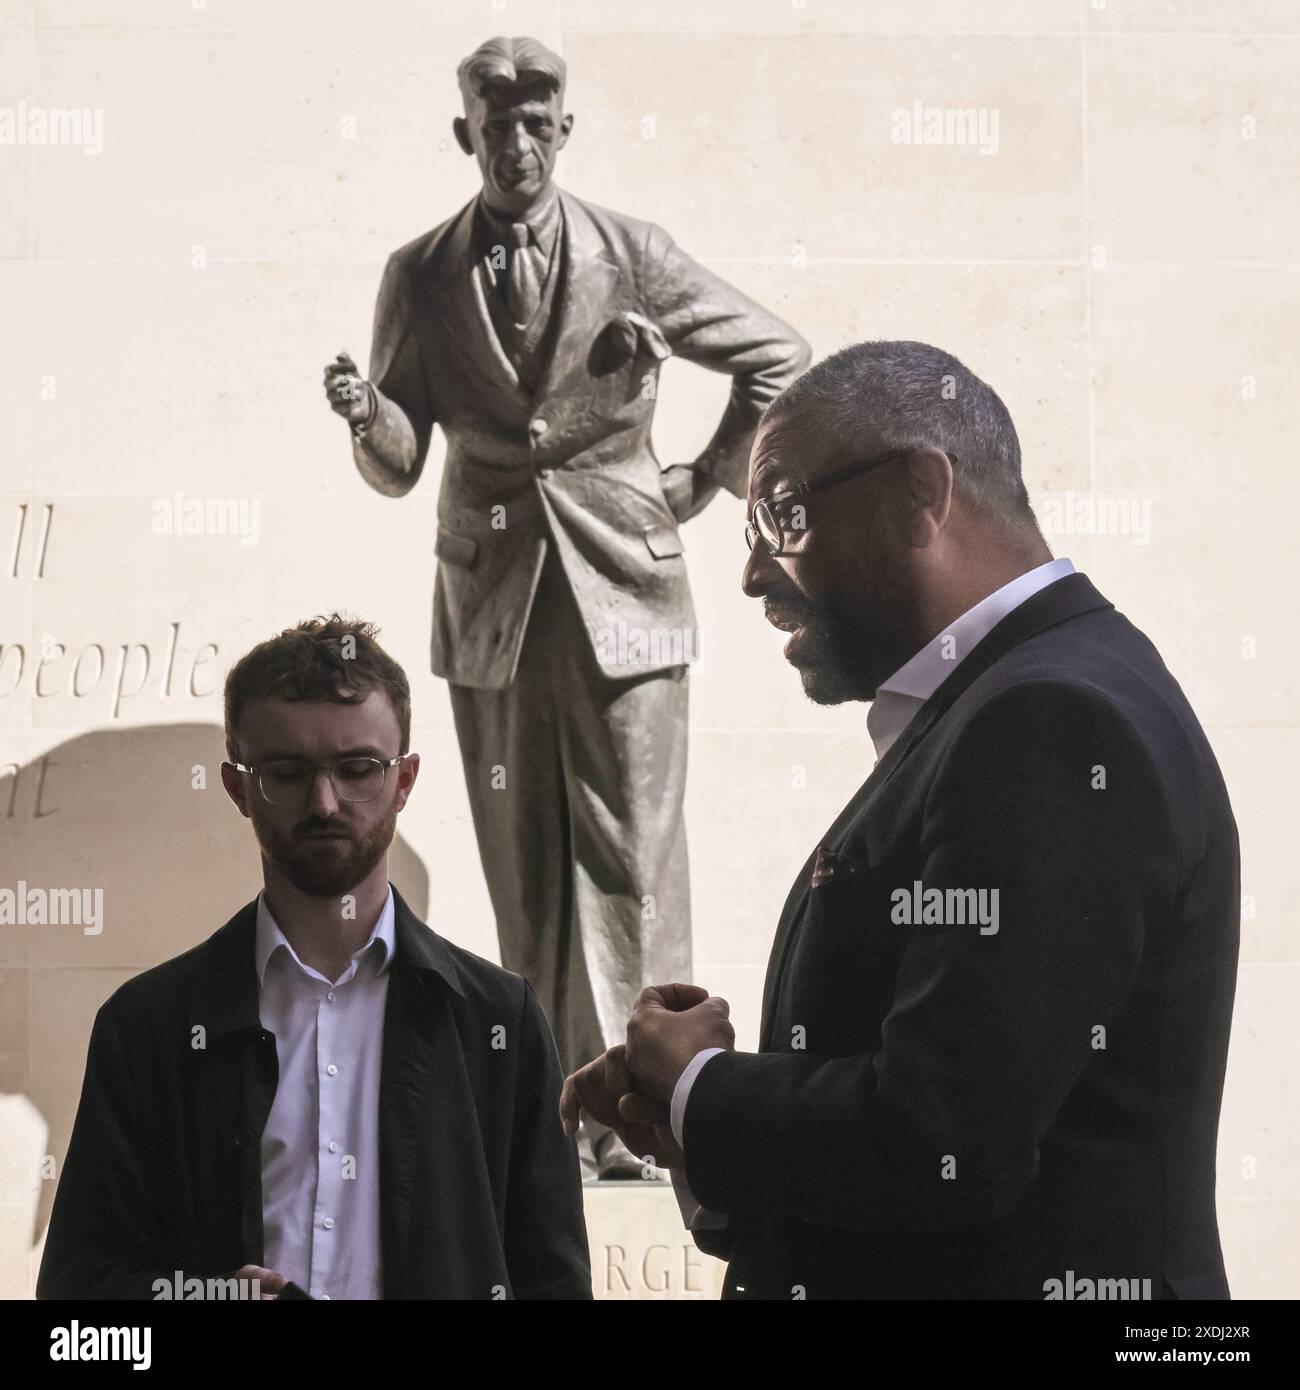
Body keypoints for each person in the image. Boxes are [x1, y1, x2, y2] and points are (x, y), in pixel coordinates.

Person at [562, 340, 1240, 1300]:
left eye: (781, 515)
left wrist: (704, 1085)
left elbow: (943, 1138)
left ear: (923, 491)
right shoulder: (1014, 702)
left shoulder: (1047, 719)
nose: (753, 573)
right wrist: (691, 1121)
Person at [322, 36, 810, 1178]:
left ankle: (652, 1116)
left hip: (626, 590)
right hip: (492, 601)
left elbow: (778, 357)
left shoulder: (632, 254)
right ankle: (547, 1115)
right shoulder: (421, 272)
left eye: (540, 124)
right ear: (467, 137)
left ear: (567, 132)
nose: (521, 145)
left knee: (635, 859)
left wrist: (700, 480)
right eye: (499, 126)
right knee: (524, 864)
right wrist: (363, 416)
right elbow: (400, 461)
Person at [38, 615, 591, 1300]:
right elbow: (75, 1305)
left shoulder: (498, 1020)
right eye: (287, 772)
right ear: (238, 787)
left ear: (405, 780)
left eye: (358, 768)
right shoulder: (145, 1026)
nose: (324, 802)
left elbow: (554, 1284)